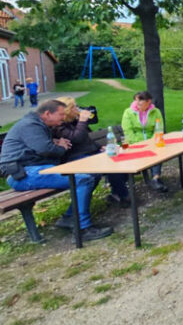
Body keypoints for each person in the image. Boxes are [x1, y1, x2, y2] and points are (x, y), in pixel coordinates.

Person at [0, 99, 112, 241]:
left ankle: (69, 218)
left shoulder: (38, 124)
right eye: (60, 114)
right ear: (47, 113)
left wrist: (55, 144)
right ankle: (82, 229)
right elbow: (46, 150)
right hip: (24, 175)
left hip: (36, 170)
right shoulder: (30, 125)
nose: (63, 117)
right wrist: (60, 147)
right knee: (83, 179)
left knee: (91, 175)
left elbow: (44, 147)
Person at [53, 97, 130, 208]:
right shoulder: (59, 126)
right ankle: (123, 195)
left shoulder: (74, 120)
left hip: (87, 153)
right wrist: (82, 121)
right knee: (106, 165)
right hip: (74, 158)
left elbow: (87, 139)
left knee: (115, 159)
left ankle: (118, 194)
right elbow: (77, 138)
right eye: (74, 106)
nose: (77, 108)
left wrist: (100, 147)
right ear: (67, 110)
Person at [122, 91, 168, 192]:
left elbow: (158, 128)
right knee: (152, 152)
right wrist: (140, 144)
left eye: (140, 102)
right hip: (135, 144)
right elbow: (128, 131)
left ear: (148, 102)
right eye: (136, 102)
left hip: (152, 141)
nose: (137, 104)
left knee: (158, 151)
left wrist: (151, 142)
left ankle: (155, 179)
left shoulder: (156, 112)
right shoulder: (128, 112)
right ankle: (153, 180)